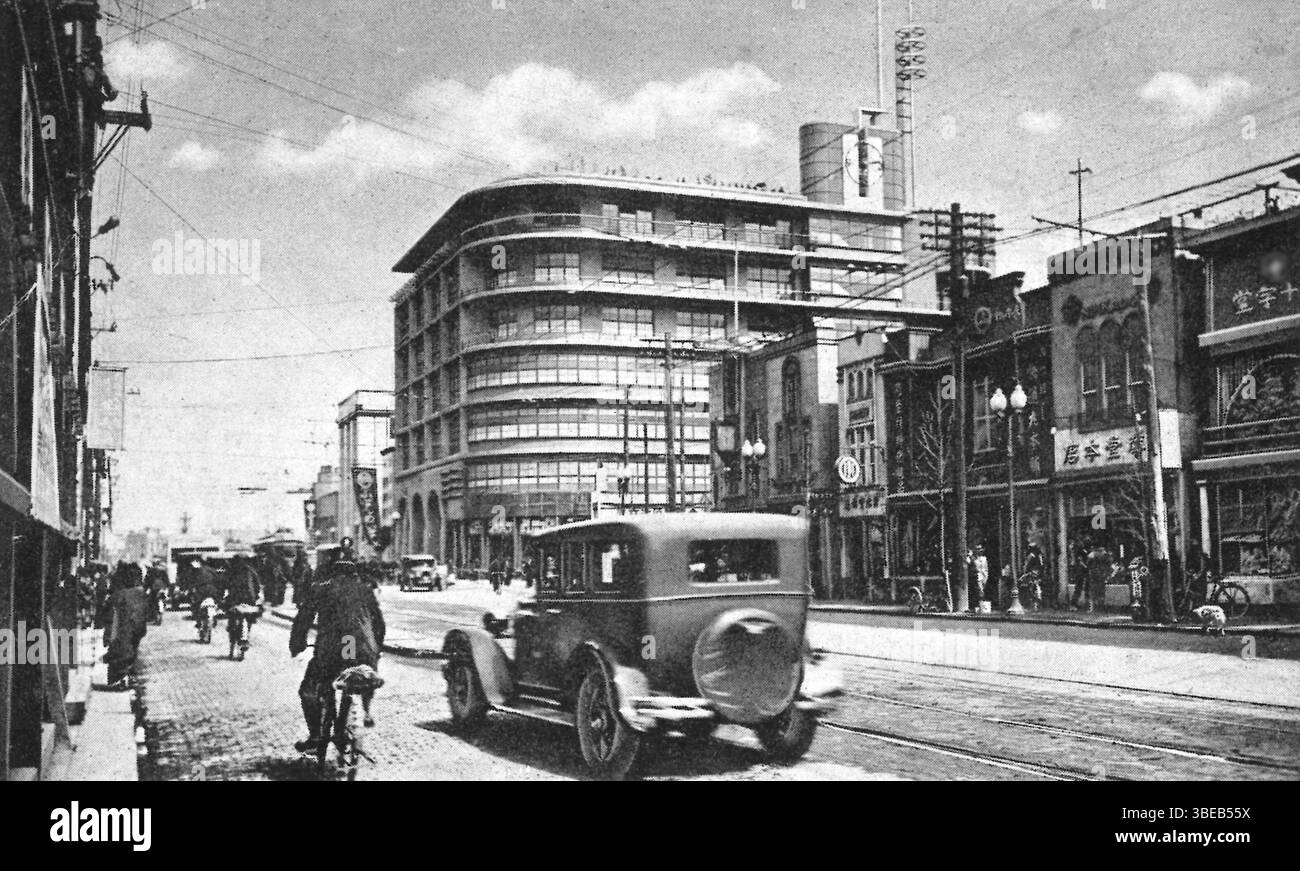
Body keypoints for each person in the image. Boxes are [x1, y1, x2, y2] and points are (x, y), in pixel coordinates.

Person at [289, 549, 386, 753]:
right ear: (354, 573)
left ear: (331, 573)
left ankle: (315, 736)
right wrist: (377, 648)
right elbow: (379, 624)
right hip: (361, 649)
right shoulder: (365, 590)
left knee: (309, 689)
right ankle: (365, 711)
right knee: (363, 675)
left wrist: (297, 644)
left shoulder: (321, 589)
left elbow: (303, 619)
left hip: (332, 650)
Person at [104, 562, 150, 687]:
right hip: (137, 627)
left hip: (125, 627)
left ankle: (121, 677)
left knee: (122, 649)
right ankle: (128, 675)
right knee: (131, 649)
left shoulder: (120, 594)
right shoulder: (141, 593)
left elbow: (109, 611)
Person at [224, 555, 262, 656]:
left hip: (235, 600)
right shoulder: (252, 571)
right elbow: (257, 587)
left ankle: (232, 637)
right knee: (250, 618)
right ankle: (246, 635)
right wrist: (255, 597)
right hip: (250, 600)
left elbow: (226, 585)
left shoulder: (232, 571)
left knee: (231, 617)